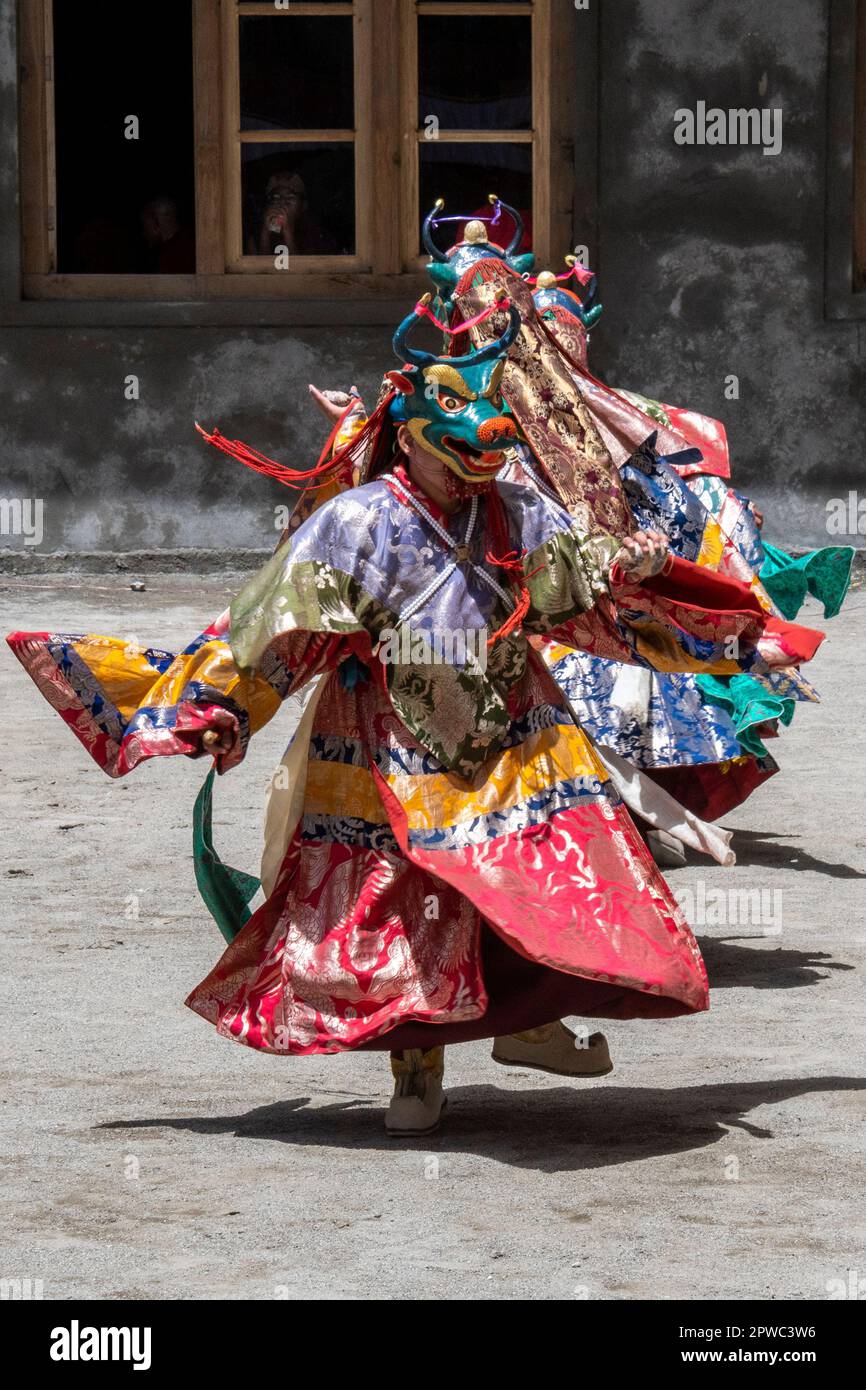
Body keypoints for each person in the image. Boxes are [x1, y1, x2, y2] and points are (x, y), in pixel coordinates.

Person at [7, 301, 823, 1138]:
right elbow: (281, 630)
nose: (483, 457)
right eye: (463, 440)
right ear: (411, 427)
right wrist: (224, 707)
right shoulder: (355, 524)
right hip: (387, 731)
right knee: (405, 896)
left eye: (495, 440)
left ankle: (530, 1026)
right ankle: (417, 1068)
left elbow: (585, 601)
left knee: (551, 869)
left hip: (516, 722)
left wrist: (696, 613)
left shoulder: (516, 508)